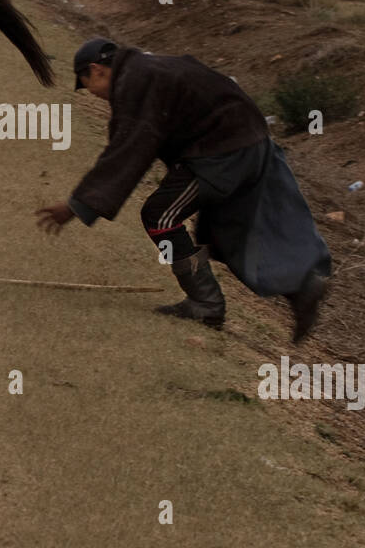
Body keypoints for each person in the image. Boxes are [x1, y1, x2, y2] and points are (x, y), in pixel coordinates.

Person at [35, 38, 332, 342]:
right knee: (222, 232)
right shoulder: (146, 68)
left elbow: (127, 150)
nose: (95, 96)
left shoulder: (136, 81)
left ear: (96, 70)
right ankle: (302, 288)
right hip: (249, 141)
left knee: (160, 216)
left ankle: (206, 304)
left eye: (87, 86)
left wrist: (76, 205)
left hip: (223, 151)